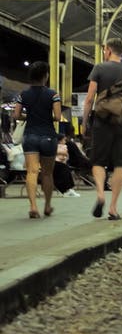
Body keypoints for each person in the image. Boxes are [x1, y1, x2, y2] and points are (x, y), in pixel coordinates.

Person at [81, 37, 122, 220]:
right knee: (120, 164)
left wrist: (84, 122)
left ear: (107, 50)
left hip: (101, 121)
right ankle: (113, 208)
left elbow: (89, 99)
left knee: (98, 161)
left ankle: (100, 194)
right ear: (121, 52)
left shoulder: (99, 68)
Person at [12, 60, 61, 219]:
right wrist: (46, 116)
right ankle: (47, 205)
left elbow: (17, 115)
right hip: (48, 136)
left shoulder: (23, 95)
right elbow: (58, 117)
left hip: (30, 136)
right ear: (45, 76)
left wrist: (30, 115)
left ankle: (33, 207)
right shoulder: (53, 94)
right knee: (47, 173)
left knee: (31, 172)